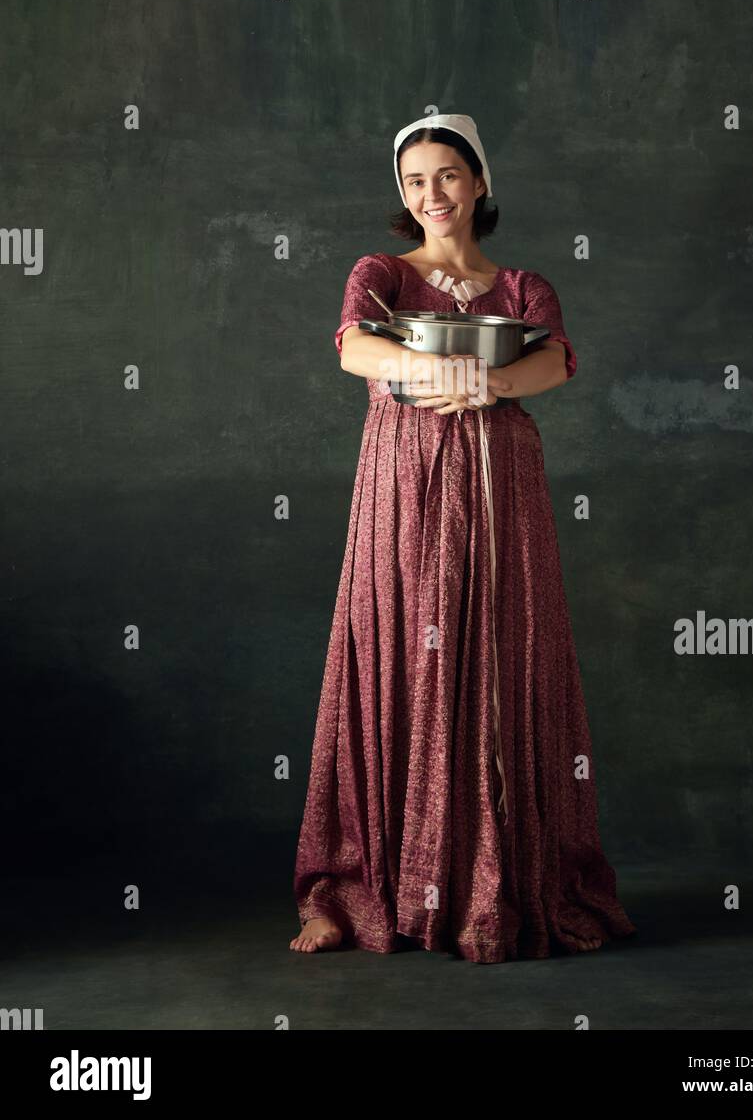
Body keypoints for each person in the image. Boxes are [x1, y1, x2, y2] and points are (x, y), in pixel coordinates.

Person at [290, 114, 637, 964]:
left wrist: (484, 388)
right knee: (400, 650)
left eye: (446, 176)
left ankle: (511, 885)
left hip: (499, 486)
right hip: (404, 483)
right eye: (414, 181)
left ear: (478, 183)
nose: (431, 194)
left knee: (501, 656)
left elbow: (553, 363)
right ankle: (353, 890)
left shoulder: (521, 286)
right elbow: (353, 350)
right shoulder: (380, 274)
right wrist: (434, 371)